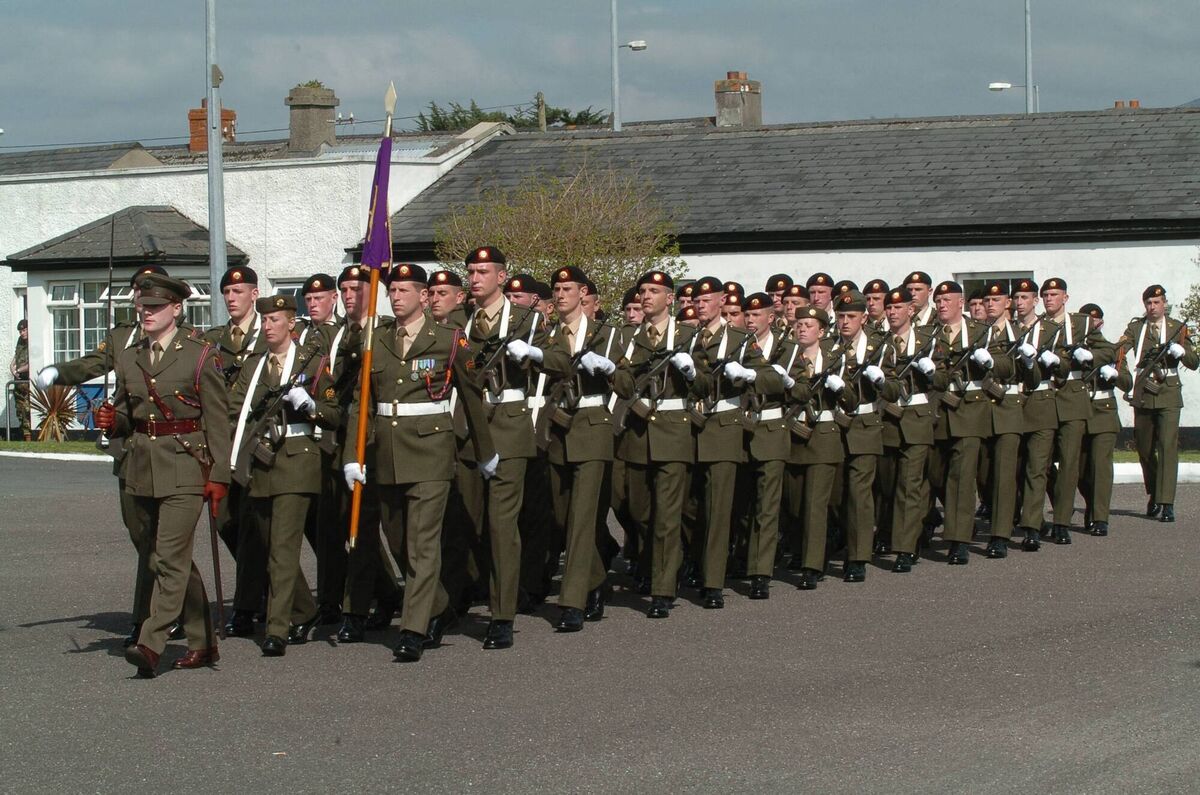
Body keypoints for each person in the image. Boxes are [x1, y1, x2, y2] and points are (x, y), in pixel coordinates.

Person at [343, 263, 495, 662]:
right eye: (392, 291)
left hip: (430, 451)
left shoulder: (448, 339)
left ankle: (413, 628)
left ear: (424, 296)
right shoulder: (377, 339)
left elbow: (471, 396)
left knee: (422, 544)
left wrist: (486, 452)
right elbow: (361, 403)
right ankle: (440, 605)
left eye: (404, 291)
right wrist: (352, 456)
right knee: (398, 541)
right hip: (387, 453)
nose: (396, 297)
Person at [94, 273, 232, 677]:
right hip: (140, 465)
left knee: (170, 556)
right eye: (142, 307)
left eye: (155, 307)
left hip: (186, 465)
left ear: (177, 309)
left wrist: (219, 475)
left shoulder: (200, 354)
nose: (146, 313)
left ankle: (151, 643)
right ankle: (204, 641)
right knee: (160, 557)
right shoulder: (130, 353)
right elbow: (127, 414)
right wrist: (110, 420)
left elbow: (218, 421)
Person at [229, 295, 339, 657]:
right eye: (264, 320)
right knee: (267, 543)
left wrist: (309, 405)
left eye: (275, 319)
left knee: (283, 548)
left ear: (292, 324)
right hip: (262, 463)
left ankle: (277, 629)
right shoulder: (254, 366)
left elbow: (335, 413)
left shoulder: (314, 363)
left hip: (297, 461)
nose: (267, 325)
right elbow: (235, 409)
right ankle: (305, 610)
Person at [612, 270, 702, 619]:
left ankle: (663, 588)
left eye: (654, 291)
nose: (646, 296)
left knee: (667, 516)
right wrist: (614, 373)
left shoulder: (687, 335)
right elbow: (621, 377)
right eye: (643, 291)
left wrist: (692, 372)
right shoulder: (629, 337)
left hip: (673, 431)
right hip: (636, 432)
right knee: (638, 511)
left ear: (670, 298)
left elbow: (706, 383)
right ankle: (657, 564)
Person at [459, 246, 535, 649]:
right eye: (471, 271)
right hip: (467, 428)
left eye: (483, 271)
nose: (475, 278)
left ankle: (502, 614)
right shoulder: (459, 322)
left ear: (502, 277)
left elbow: (557, 359)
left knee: (501, 525)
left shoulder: (528, 319)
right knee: (464, 520)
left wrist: (535, 353)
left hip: (508, 426)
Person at [537, 266, 619, 630]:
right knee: (563, 515)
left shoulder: (605, 333)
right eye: (556, 288)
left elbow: (629, 383)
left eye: (568, 288)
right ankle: (597, 577)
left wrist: (609, 368)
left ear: (583, 292)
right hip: (558, 429)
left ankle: (573, 602)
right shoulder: (547, 335)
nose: (560, 293)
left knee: (584, 517)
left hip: (591, 427)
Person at [690, 276, 780, 607]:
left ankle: (713, 581)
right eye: (696, 300)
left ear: (721, 302)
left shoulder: (740, 340)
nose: (699, 304)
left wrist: (749, 376)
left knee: (717, 509)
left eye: (706, 299)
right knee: (685, 509)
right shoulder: (684, 336)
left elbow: (771, 378)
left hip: (722, 429)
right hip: (683, 429)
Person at [831, 290, 898, 581]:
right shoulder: (826, 344)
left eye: (851, 317)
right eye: (840, 316)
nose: (845, 322)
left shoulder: (881, 345)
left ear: (864, 317)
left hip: (865, 423)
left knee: (860, 493)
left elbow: (896, 390)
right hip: (832, 425)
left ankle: (858, 556)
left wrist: (881, 381)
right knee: (834, 493)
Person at [1118, 284, 1199, 522]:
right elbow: (1119, 352)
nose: (1152, 307)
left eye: (1156, 302)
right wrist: (1124, 376)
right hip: (1144, 390)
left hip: (1169, 392)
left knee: (1167, 446)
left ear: (1164, 304)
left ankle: (1166, 502)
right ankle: (1155, 491)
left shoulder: (1177, 328)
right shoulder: (1136, 328)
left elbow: (1195, 362)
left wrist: (1181, 351)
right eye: (1148, 303)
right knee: (1143, 448)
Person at [877, 288, 943, 572]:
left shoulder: (928, 340)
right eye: (889, 308)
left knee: (910, 485)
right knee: (888, 485)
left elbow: (943, 377)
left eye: (898, 307)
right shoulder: (878, 342)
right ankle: (889, 535)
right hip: (888, 420)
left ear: (911, 310)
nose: (892, 313)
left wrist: (931, 371)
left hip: (916, 417)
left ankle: (907, 546)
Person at [742, 292, 803, 598]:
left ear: (771, 317)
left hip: (771, 427)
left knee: (767, 506)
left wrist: (779, 381)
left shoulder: (787, 349)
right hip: (740, 429)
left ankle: (760, 572)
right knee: (741, 505)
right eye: (747, 316)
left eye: (756, 316)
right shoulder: (737, 345)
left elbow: (799, 387)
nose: (751, 321)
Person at [931, 281, 996, 565]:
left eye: (947, 299)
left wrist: (990, 361)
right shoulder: (927, 335)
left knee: (962, 476)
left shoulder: (982, 332)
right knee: (935, 474)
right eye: (938, 300)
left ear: (961, 303)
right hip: (937, 412)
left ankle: (958, 540)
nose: (942, 304)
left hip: (969, 410)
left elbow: (1006, 365)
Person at [1077, 304, 1130, 536]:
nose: (1093, 325)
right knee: (1079, 470)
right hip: (1079, 411)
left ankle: (1100, 517)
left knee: (1101, 467)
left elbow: (1128, 383)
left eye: (1096, 321)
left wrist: (1116, 375)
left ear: (1102, 323)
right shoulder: (1074, 349)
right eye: (1088, 321)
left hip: (1104, 411)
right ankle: (1092, 504)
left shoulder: (1113, 350)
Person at [10, 319, 30, 440]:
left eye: (24, 330)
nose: (22, 333)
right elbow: (16, 356)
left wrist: (19, 370)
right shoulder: (20, 342)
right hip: (19, 382)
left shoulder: (33, 341)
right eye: (20, 331)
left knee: (28, 410)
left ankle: (30, 437)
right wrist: (12, 367)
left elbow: (33, 362)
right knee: (20, 410)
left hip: (28, 381)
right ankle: (25, 435)